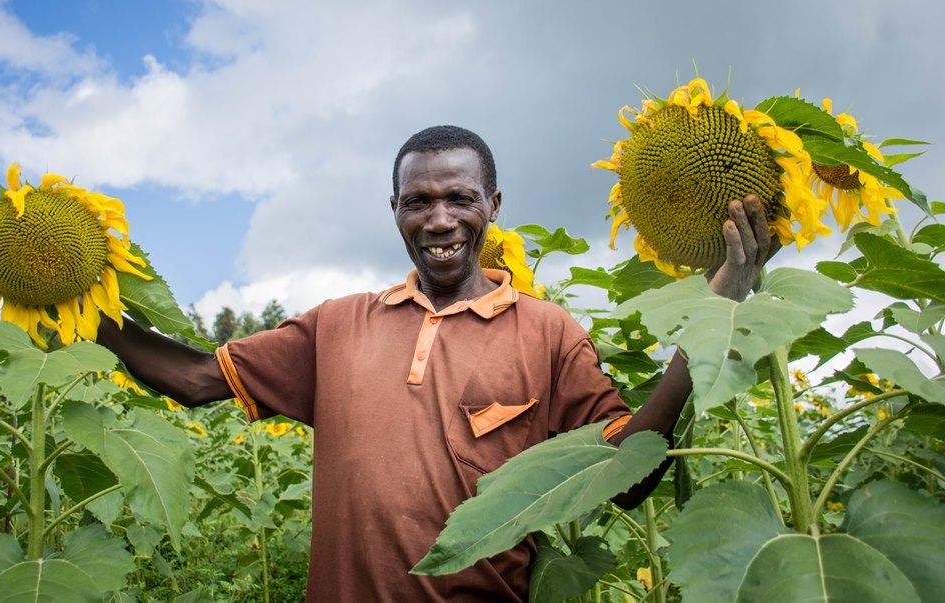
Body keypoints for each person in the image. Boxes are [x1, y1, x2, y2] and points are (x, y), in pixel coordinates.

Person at [97, 125, 776, 602]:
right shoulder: (336, 325)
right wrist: (83, 307)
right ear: (395, 211)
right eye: (419, 201)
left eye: (459, 198)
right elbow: (192, 379)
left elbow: (626, 475)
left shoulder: (546, 332)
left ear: (494, 207)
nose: (440, 219)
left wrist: (714, 318)